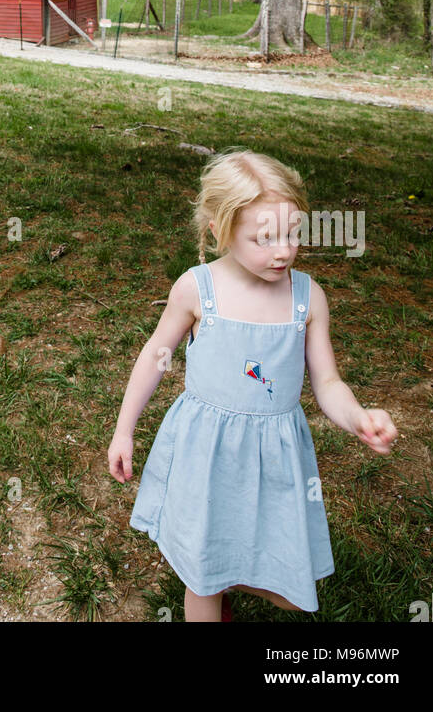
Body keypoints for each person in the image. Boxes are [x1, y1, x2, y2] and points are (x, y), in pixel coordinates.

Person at [108, 148, 397, 622]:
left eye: (292, 234)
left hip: (276, 456)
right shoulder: (196, 289)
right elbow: (154, 358)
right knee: (203, 570)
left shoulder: (308, 298)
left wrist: (357, 417)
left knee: (280, 571)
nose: (282, 250)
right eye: (264, 238)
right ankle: (212, 595)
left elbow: (327, 382)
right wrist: (125, 430)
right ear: (219, 232)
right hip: (205, 451)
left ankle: (237, 577)